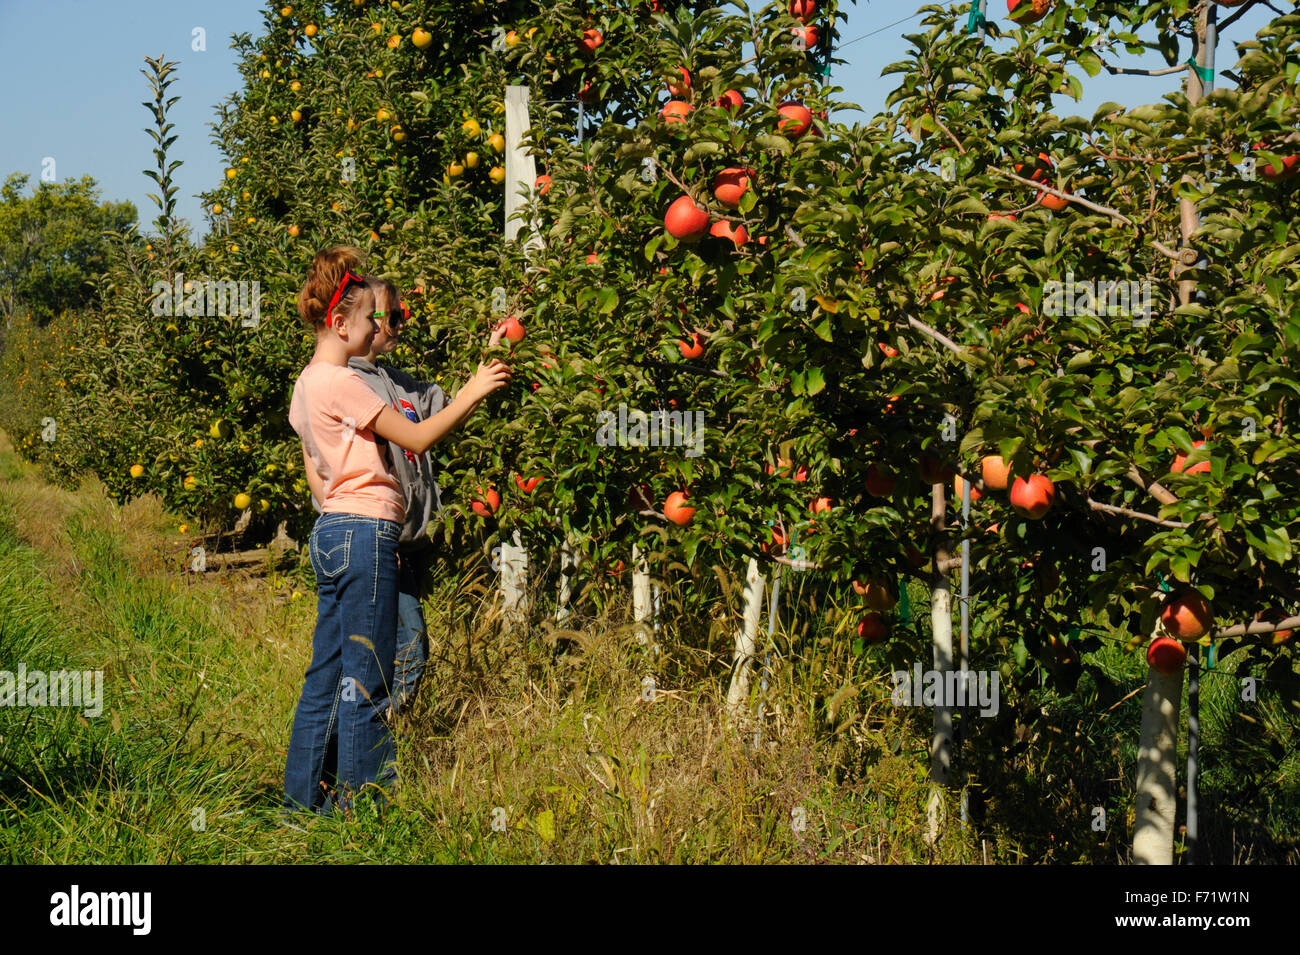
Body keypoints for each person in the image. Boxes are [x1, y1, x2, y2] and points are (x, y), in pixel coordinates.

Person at [284, 246, 511, 814]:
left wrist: (339, 502)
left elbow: (315, 470)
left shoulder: (307, 384)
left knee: (325, 677)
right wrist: (475, 390)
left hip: (332, 529)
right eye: (368, 322)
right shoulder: (344, 382)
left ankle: (300, 801)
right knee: (368, 678)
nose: (376, 332)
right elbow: (416, 438)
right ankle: (363, 809)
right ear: (340, 323)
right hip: (366, 533)